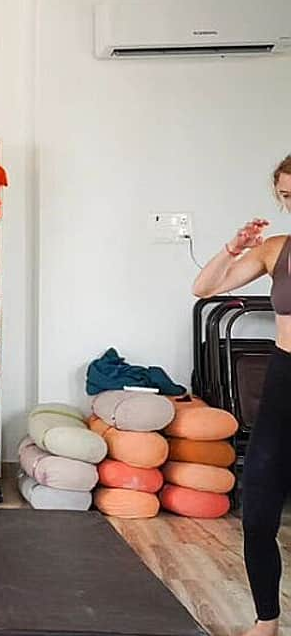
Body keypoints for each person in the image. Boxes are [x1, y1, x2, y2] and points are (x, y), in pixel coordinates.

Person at [192, 154, 291, 636]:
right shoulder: (276, 250)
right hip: (284, 378)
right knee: (257, 506)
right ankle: (266, 620)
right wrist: (232, 248)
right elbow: (204, 287)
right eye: (287, 196)